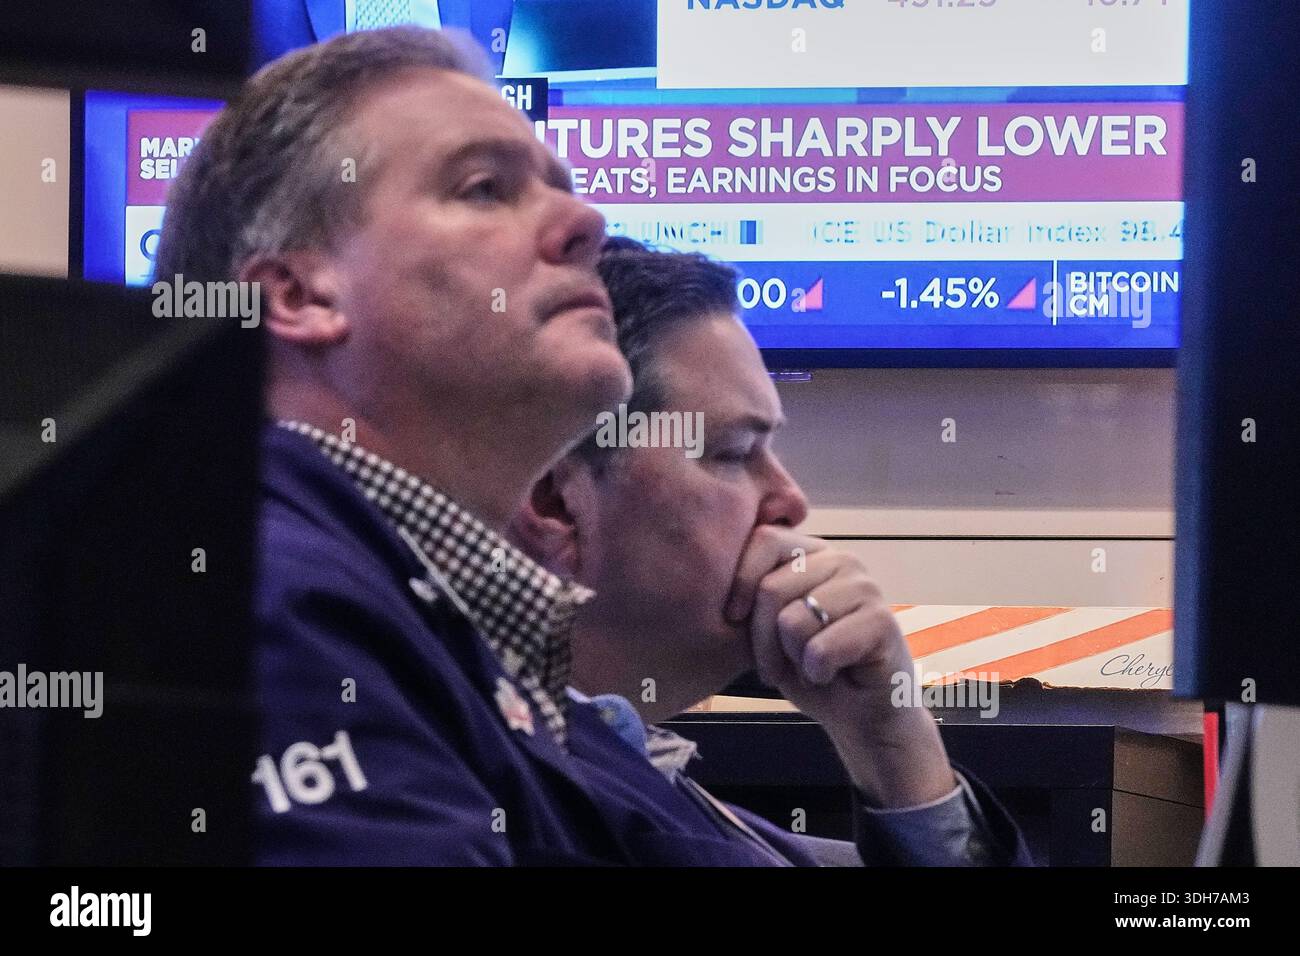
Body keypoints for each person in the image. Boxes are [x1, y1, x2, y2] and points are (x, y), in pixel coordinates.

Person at [156, 26, 979, 865]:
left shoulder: (491, 676)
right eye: (483, 189)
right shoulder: (257, 601)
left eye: (562, 188)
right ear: (294, 295)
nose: (584, 220)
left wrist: (894, 745)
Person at [509, 237, 1032, 865]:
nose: (791, 500)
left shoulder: (672, 799)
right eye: (732, 453)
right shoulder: (467, 793)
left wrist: (895, 749)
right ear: (557, 502)